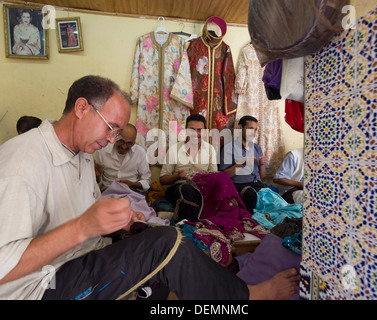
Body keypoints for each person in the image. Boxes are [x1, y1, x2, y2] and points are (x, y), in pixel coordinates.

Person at [0, 76, 299, 300]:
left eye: (118, 131)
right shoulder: (22, 163)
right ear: (82, 108)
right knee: (165, 243)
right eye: (111, 127)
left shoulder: (80, 153)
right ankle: (246, 297)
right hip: (40, 287)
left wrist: (121, 220)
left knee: (160, 270)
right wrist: (83, 226)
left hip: (80, 256)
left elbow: (86, 214)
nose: (112, 138)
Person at [159, 114, 218, 222]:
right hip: (178, 188)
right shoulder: (174, 149)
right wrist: (177, 176)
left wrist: (200, 177)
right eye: (192, 130)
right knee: (187, 189)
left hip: (201, 189)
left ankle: (188, 226)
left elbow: (214, 178)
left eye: (199, 130)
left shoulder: (210, 150)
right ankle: (194, 226)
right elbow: (162, 180)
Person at [219, 115, 269, 214]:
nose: (253, 133)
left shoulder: (256, 148)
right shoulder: (229, 148)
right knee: (250, 195)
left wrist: (262, 164)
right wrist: (240, 164)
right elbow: (223, 176)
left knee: (276, 202)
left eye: (255, 129)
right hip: (241, 186)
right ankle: (249, 221)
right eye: (250, 128)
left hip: (258, 185)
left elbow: (262, 176)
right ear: (240, 128)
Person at [94, 123, 151, 193]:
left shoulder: (140, 153)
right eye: (121, 141)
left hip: (132, 191)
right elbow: (96, 182)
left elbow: (147, 181)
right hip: (108, 191)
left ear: (134, 142)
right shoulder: (102, 151)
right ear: (116, 137)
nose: (124, 147)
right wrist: (98, 177)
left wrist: (133, 184)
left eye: (129, 143)